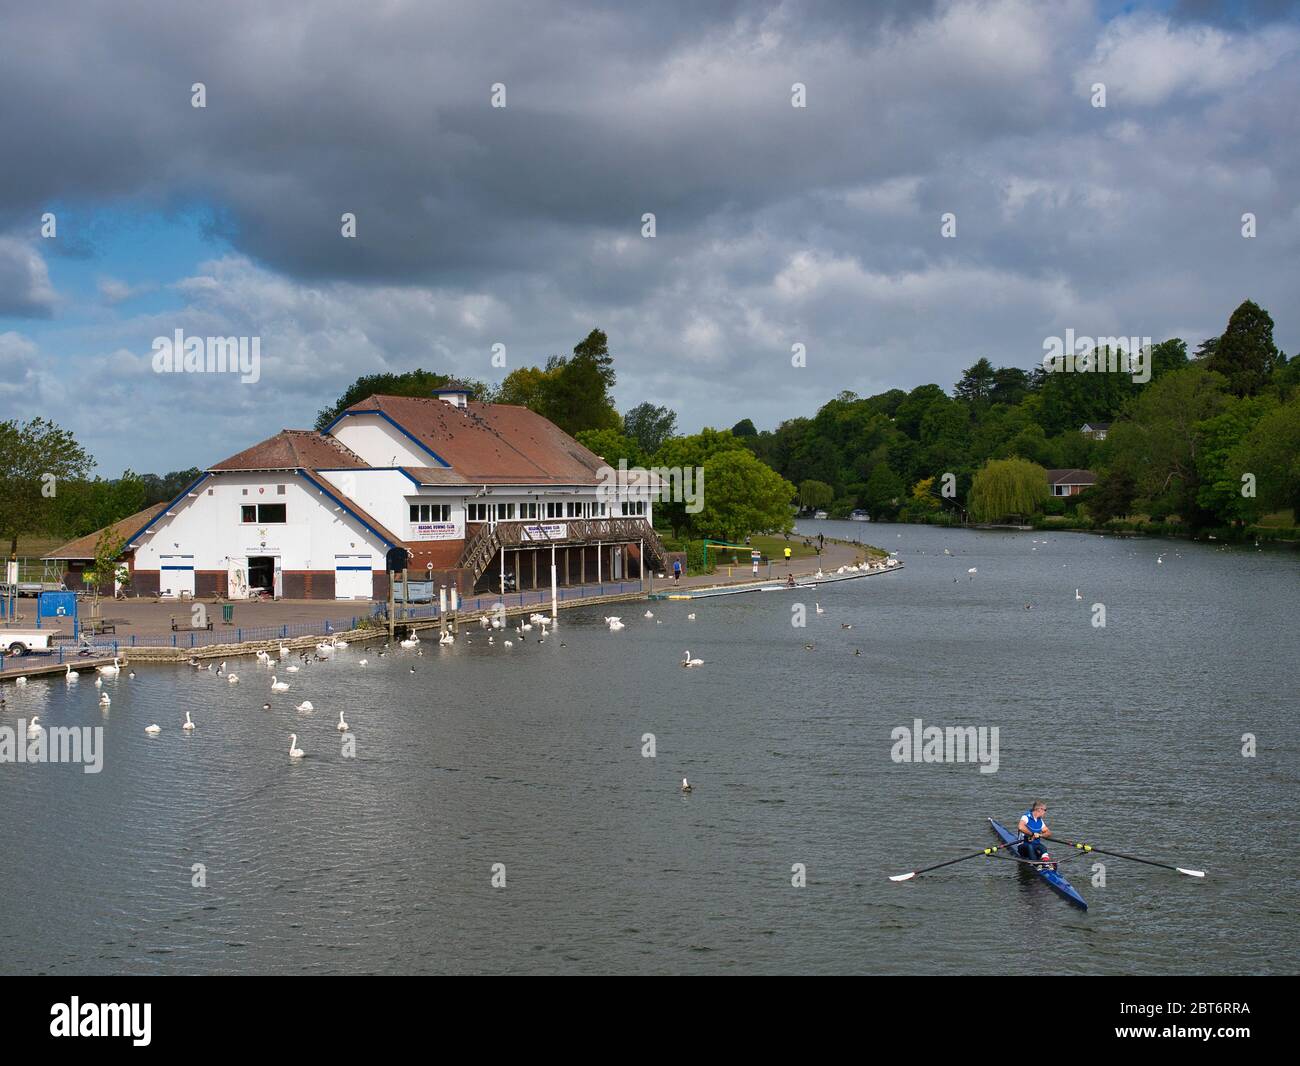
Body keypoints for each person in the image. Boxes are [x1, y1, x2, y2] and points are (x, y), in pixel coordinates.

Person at [1017, 800, 1053, 869]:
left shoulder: (1040, 820)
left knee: (1043, 848)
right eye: (1045, 810)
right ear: (1039, 809)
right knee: (1030, 847)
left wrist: (1041, 835)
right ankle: (1036, 864)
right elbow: (1020, 827)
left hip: (1035, 845)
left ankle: (1046, 862)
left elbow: (1048, 832)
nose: (1045, 812)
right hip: (1023, 845)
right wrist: (1032, 834)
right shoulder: (1026, 817)